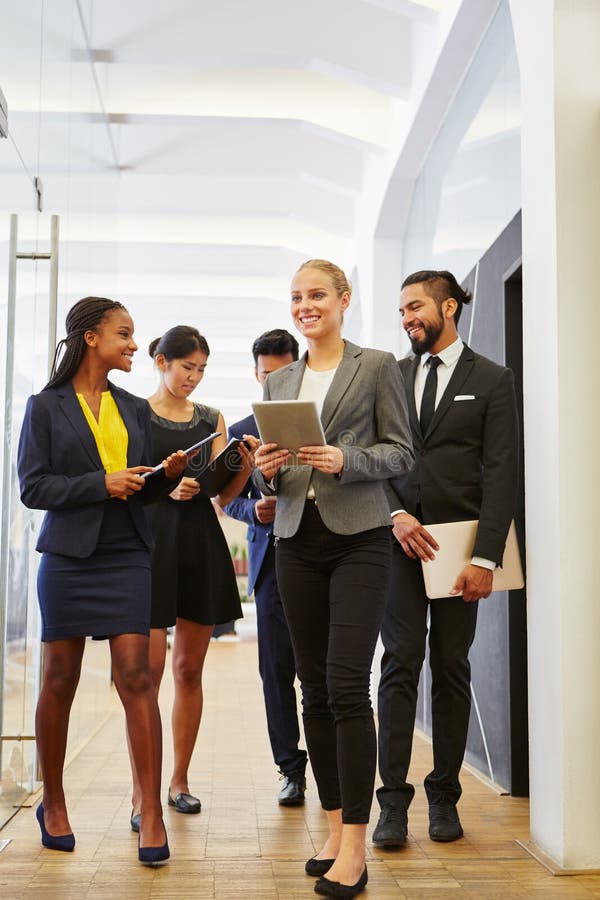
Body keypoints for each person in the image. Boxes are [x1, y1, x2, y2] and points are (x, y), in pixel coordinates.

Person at [254, 260, 413, 898]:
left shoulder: (375, 366)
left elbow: (402, 451)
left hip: (360, 540)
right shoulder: (280, 380)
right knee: (312, 689)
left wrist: (347, 458)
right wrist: (265, 468)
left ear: (344, 300)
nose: (305, 306)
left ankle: (356, 841)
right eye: (296, 297)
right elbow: (275, 480)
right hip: (296, 539)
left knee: (348, 685)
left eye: (317, 295)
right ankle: (329, 826)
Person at [17, 296, 188, 865]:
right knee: (59, 679)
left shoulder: (136, 408)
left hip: (127, 554)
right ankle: (55, 802)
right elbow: (33, 487)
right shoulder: (44, 407)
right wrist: (101, 483)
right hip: (67, 557)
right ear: (91, 338)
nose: (134, 345)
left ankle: (153, 815)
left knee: (136, 676)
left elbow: (137, 485)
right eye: (125, 333)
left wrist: (165, 477)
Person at [374, 270, 518, 849]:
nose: (407, 318)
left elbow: (504, 471)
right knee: (400, 664)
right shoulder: (393, 374)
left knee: (451, 667)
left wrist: (486, 557)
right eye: (401, 309)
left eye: (415, 307)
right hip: (400, 545)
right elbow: (376, 457)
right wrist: (394, 515)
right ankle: (391, 805)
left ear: (449, 307)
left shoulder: (492, 379)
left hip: (461, 552)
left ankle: (444, 797)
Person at [128, 325, 253, 828]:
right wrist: (165, 485)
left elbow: (223, 497)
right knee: (147, 677)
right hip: (151, 545)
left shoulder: (212, 418)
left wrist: (241, 467)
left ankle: (179, 782)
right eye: (187, 368)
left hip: (200, 544)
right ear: (160, 361)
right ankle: (144, 794)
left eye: (201, 369)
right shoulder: (134, 413)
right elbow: (130, 482)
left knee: (188, 671)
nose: (194, 378)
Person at [223, 328, 309, 806]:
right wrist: (251, 510)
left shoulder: (320, 423)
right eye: (265, 375)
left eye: (283, 373)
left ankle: (334, 765)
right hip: (271, 563)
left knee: (324, 670)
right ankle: (290, 770)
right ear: (255, 375)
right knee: (276, 671)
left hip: (322, 558)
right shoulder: (239, 434)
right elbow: (226, 500)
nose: (273, 382)